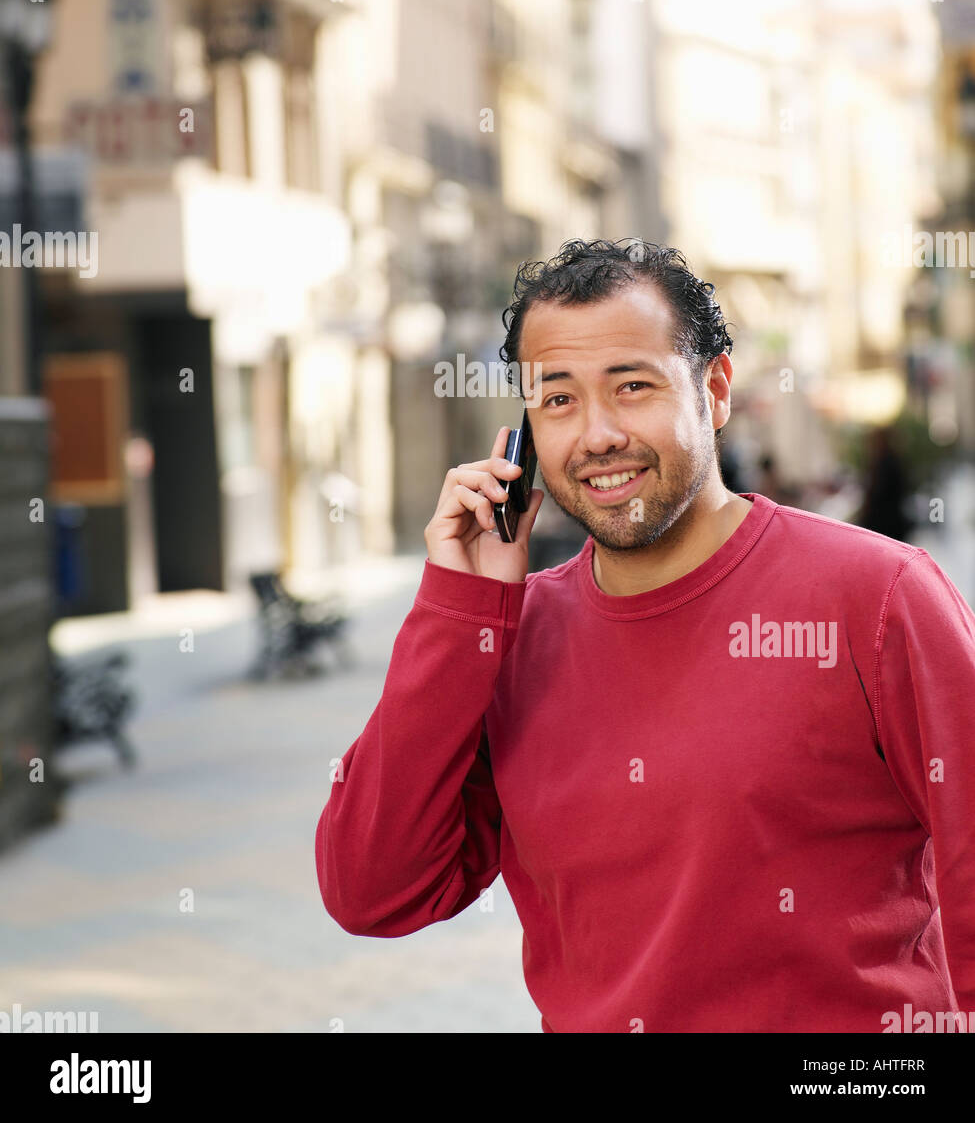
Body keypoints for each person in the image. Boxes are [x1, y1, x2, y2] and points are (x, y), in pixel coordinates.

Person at [315, 237, 975, 1034]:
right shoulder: (509, 638)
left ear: (715, 389)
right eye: (556, 400)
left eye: (631, 387)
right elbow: (371, 891)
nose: (596, 435)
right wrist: (459, 610)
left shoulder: (875, 596)